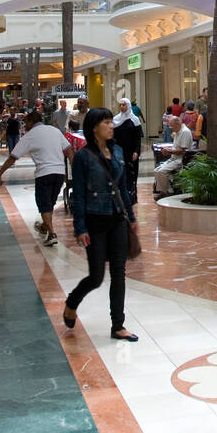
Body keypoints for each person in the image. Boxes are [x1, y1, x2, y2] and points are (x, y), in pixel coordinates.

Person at [63, 108, 138, 343]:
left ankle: (118, 325)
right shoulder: (84, 157)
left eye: (111, 122)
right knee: (96, 277)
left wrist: (132, 218)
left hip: (116, 218)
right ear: (94, 126)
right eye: (106, 122)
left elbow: (123, 186)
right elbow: (79, 196)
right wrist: (80, 228)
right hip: (94, 220)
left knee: (119, 274)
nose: (111, 126)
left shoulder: (117, 151)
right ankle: (72, 302)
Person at [0, 110, 73, 246]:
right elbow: (69, 150)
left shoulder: (29, 136)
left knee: (44, 205)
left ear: (31, 122)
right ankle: (44, 226)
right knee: (50, 203)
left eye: (26, 122)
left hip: (44, 174)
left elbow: (13, 157)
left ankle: (52, 233)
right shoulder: (54, 131)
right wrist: (75, 169)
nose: (25, 125)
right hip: (59, 173)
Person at [154, 113, 193, 196]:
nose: (170, 128)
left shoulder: (185, 132)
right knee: (157, 170)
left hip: (181, 159)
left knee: (161, 171)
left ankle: (165, 192)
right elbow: (176, 147)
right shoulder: (178, 131)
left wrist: (170, 151)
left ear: (178, 124)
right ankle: (166, 190)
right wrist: (169, 151)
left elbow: (183, 150)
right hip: (174, 158)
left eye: (171, 126)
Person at [112, 98, 142, 205]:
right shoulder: (115, 119)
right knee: (120, 174)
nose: (121, 107)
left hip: (131, 152)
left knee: (131, 174)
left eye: (123, 105)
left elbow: (138, 138)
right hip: (119, 152)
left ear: (128, 106)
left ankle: (132, 197)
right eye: (120, 105)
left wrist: (136, 151)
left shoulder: (134, 120)